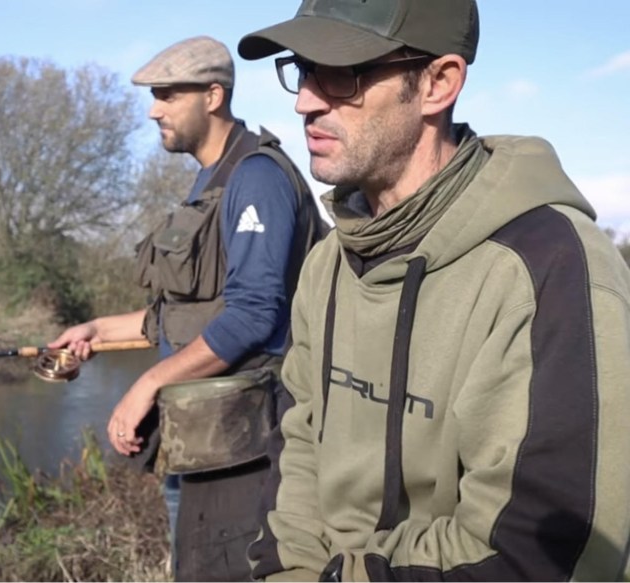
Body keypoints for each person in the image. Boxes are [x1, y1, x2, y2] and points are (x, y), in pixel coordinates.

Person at [235, 0, 630, 580]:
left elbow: (541, 553)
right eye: (303, 70)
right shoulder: (325, 266)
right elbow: (296, 458)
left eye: (341, 73)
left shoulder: (551, 268)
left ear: (439, 83)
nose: (305, 102)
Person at [49, 35, 324, 581]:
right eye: (155, 96)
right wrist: (96, 329)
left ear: (213, 96)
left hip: (247, 445)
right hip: (201, 440)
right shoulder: (211, 181)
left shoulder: (257, 177)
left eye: (168, 95)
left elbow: (253, 316)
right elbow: (192, 312)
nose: (154, 111)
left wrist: (146, 385)